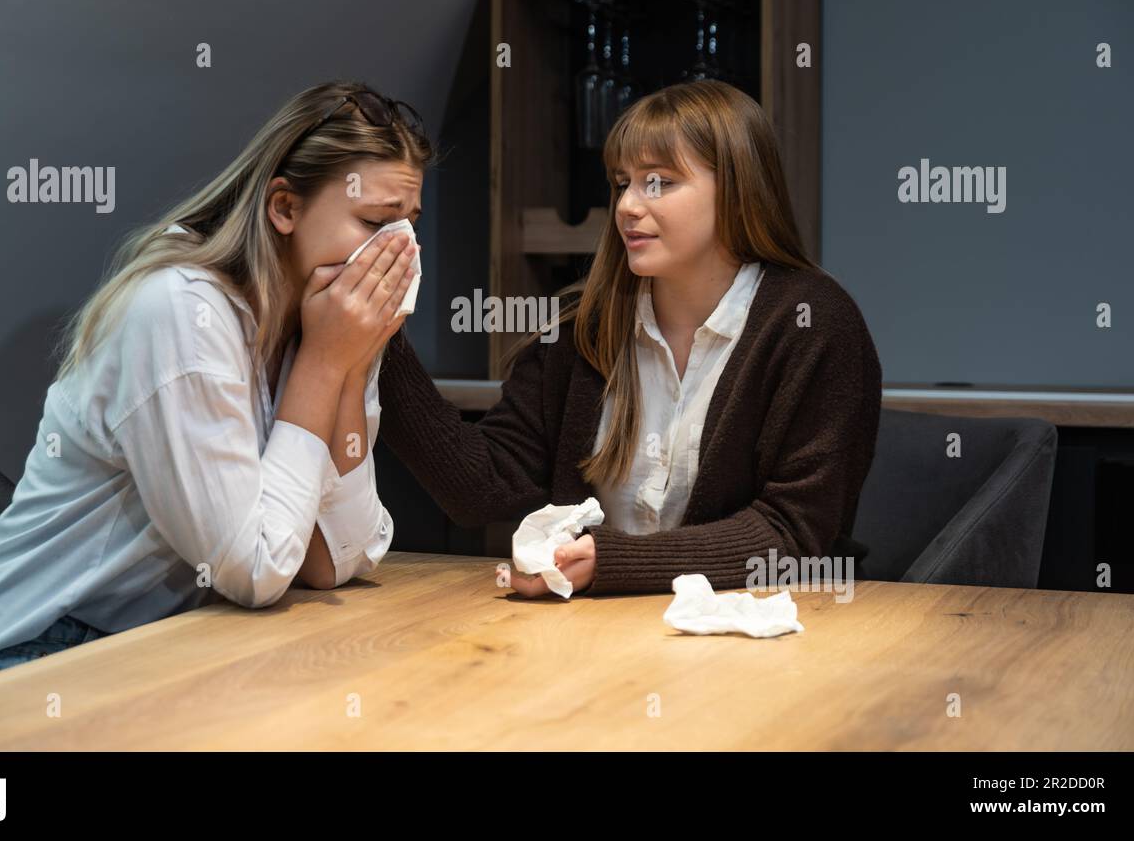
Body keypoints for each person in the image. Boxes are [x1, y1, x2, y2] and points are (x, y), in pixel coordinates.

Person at [0, 81, 430, 692]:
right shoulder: (181, 311)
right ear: (285, 208)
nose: (399, 250)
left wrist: (349, 365)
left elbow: (334, 561)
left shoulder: (325, 322)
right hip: (25, 659)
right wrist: (323, 366)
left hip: (159, 649)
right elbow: (259, 570)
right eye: (376, 221)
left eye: (409, 223)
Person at [377, 79, 881, 597]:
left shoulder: (814, 322)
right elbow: (482, 489)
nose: (627, 206)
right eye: (623, 182)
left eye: (659, 182)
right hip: (607, 633)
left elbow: (793, 534)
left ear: (736, 189)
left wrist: (612, 561)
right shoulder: (582, 328)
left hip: (785, 629)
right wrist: (375, 336)